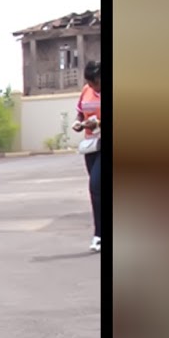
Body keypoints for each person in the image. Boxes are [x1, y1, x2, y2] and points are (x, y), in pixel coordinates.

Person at [72, 60, 102, 253]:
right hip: (91, 146)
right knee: (96, 189)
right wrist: (78, 123)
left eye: (94, 82)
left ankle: (98, 234)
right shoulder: (86, 91)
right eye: (89, 83)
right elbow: (80, 113)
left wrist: (97, 123)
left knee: (96, 184)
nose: (91, 86)